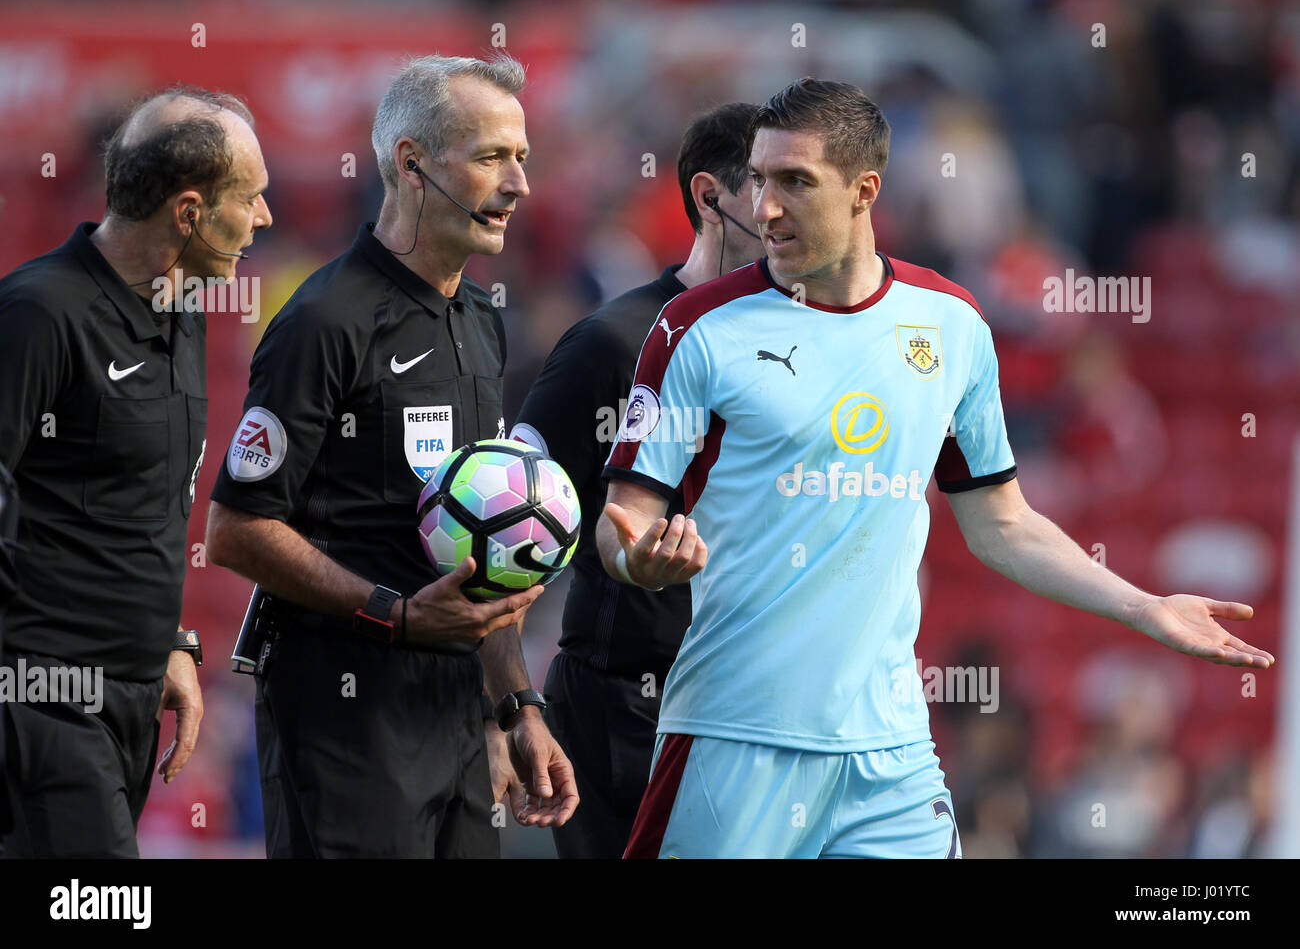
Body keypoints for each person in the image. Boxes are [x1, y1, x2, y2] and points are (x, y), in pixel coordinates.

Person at [598, 77, 1275, 859]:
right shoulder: (695, 329)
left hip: (889, 754)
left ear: (864, 191)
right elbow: (628, 517)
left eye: (794, 182)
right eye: (757, 179)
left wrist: (1142, 605)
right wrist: (640, 558)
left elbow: (1004, 522)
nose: (765, 207)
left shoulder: (949, 324)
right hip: (734, 737)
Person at [206, 53, 578, 859]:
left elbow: (483, 550)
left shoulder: (479, 315)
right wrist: (396, 614)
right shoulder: (323, 321)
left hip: (452, 716)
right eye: (491, 158)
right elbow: (234, 529)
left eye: (523, 158)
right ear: (411, 163)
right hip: (342, 718)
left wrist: (515, 706)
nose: (519, 184)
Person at [0, 86, 272, 857]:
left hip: (129, 699)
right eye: (250, 199)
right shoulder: (39, 314)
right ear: (188, 212)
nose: (264, 219)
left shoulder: (182, 312)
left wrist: (171, 641)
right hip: (42, 696)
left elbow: (138, 512)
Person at [510, 102, 762, 858]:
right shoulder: (609, 344)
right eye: (771, 182)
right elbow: (508, 521)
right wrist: (510, 704)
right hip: (626, 711)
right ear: (711, 198)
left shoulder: (809, 348)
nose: (789, 206)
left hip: (761, 710)